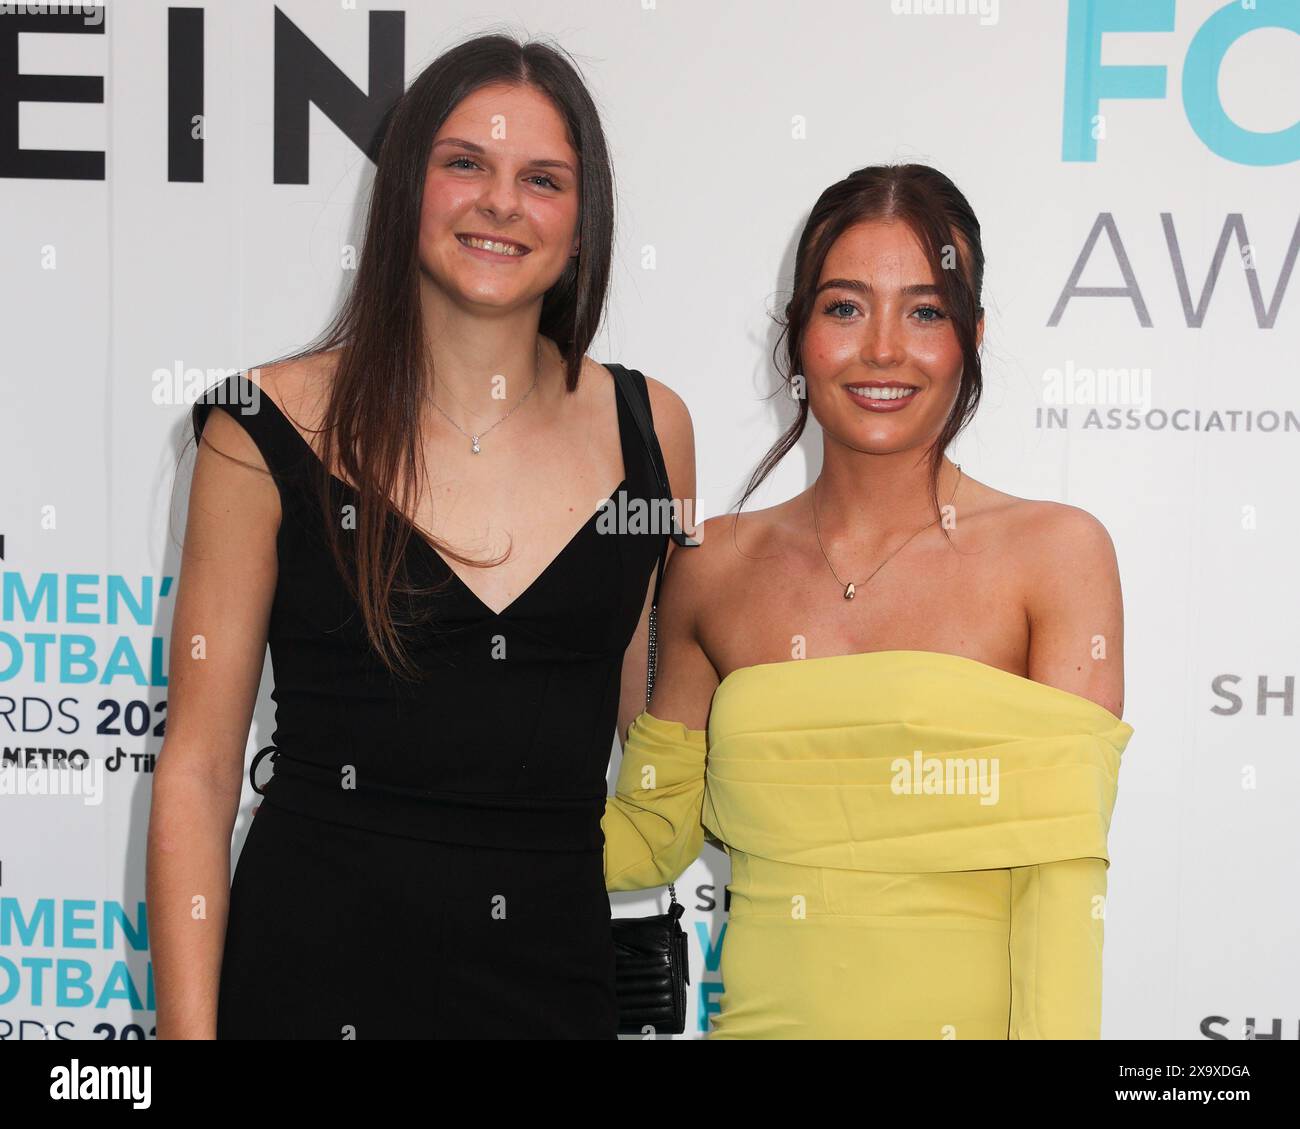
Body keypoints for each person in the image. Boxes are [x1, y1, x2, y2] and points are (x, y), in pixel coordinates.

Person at [147, 32, 694, 1040]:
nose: (500, 202)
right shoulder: (261, 426)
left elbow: (657, 733)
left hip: (551, 988)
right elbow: (197, 771)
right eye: (464, 165)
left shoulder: (648, 428)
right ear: (406, 192)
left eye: (542, 178)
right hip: (308, 981)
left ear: (582, 223)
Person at [602, 163, 1133, 1039]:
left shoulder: (1058, 555)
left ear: (972, 335)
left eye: (925, 311)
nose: (883, 348)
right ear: (797, 334)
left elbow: (1063, 894)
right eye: (844, 307)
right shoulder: (713, 564)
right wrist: (444, 826)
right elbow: (654, 833)